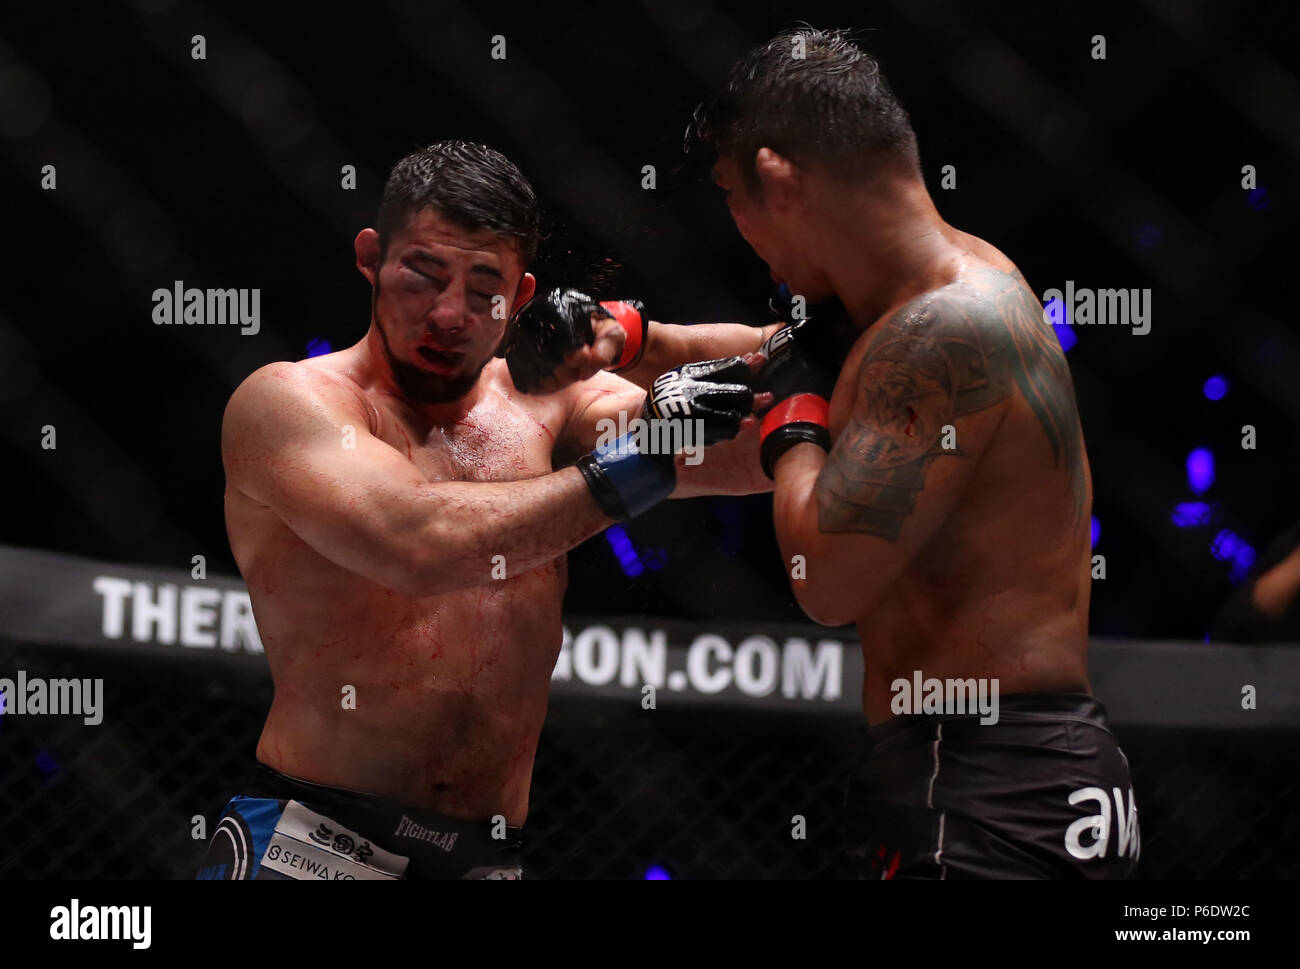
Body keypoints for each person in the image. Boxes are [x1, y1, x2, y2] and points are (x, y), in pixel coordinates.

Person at [524, 28, 1141, 878]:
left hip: (994, 788)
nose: (741, 231)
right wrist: (635, 335)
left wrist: (794, 425)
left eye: (732, 198)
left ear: (778, 178)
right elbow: (784, 345)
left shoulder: (942, 330)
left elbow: (828, 578)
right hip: (979, 772)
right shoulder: (932, 290)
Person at [196, 140, 773, 880]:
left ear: (522, 296)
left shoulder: (553, 409)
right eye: (423, 275)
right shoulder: (290, 402)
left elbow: (760, 432)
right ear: (372, 256)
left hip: (486, 862)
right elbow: (419, 539)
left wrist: (637, 336)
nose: (449, 313)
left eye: (483, 288)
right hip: (315, 843)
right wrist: (640, 463)